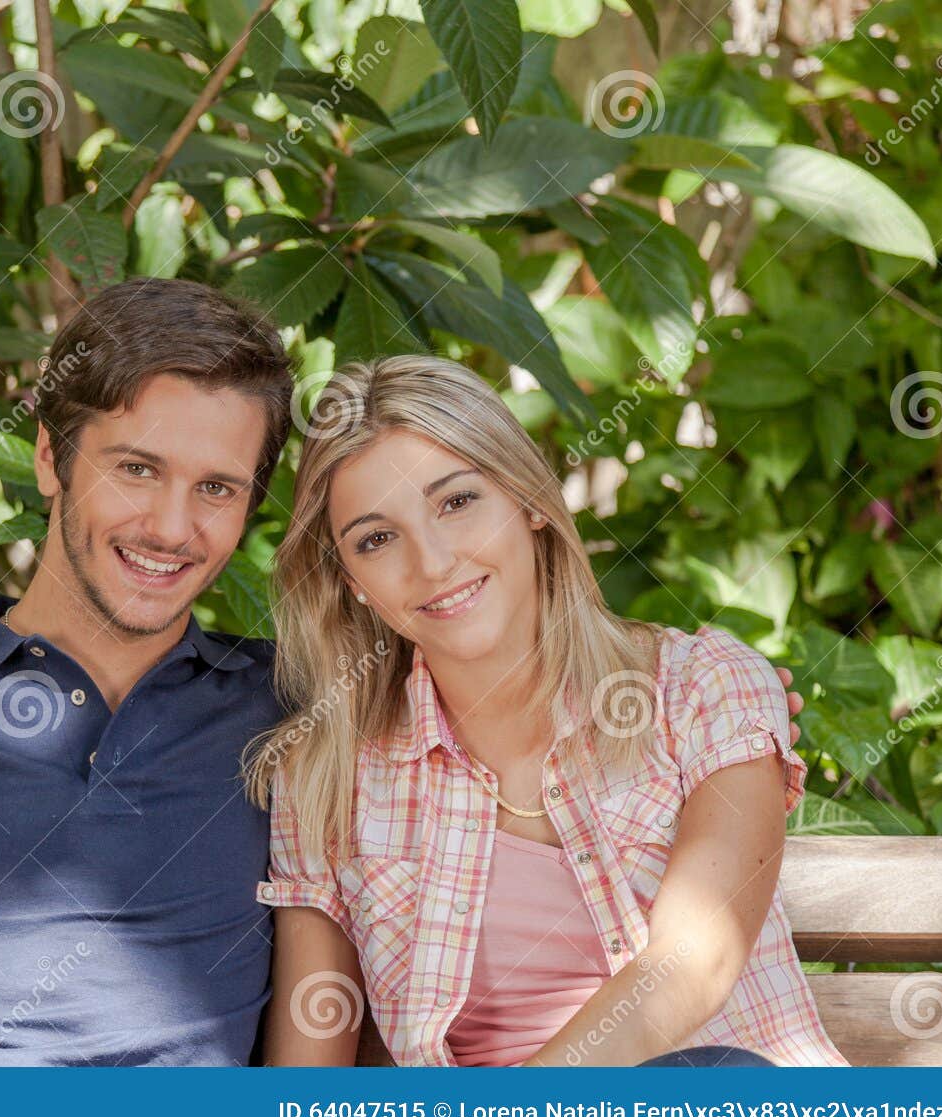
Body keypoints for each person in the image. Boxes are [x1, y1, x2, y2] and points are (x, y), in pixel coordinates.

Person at [0, 281, 806, 1066]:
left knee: (711, 1090)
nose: (170, 525)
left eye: (217, 488)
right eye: (135, 468)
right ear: (46, 456)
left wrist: (714, 705)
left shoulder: (302, 723)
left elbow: (498, 650)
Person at [250, 356, 846, 1068]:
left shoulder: (703, 688)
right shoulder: (329, 776)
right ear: (353, 583)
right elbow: (306, 1075)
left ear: (529, 499)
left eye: (457, 501)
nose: (433, 561)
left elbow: (694, 964)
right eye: (377, 539)